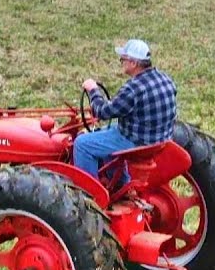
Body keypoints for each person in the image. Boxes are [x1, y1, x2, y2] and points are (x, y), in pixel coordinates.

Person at [73, 38, 178, 180]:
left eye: (123, 60)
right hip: (159, 140)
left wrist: (93, 91)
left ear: (134, 63)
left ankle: (89, 196)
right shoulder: (166, 79)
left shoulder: (133, 88)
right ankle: (118, 184)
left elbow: (102, 112)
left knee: (82, 144)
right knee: (108, 131)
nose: (121, 63)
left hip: (137, 142)